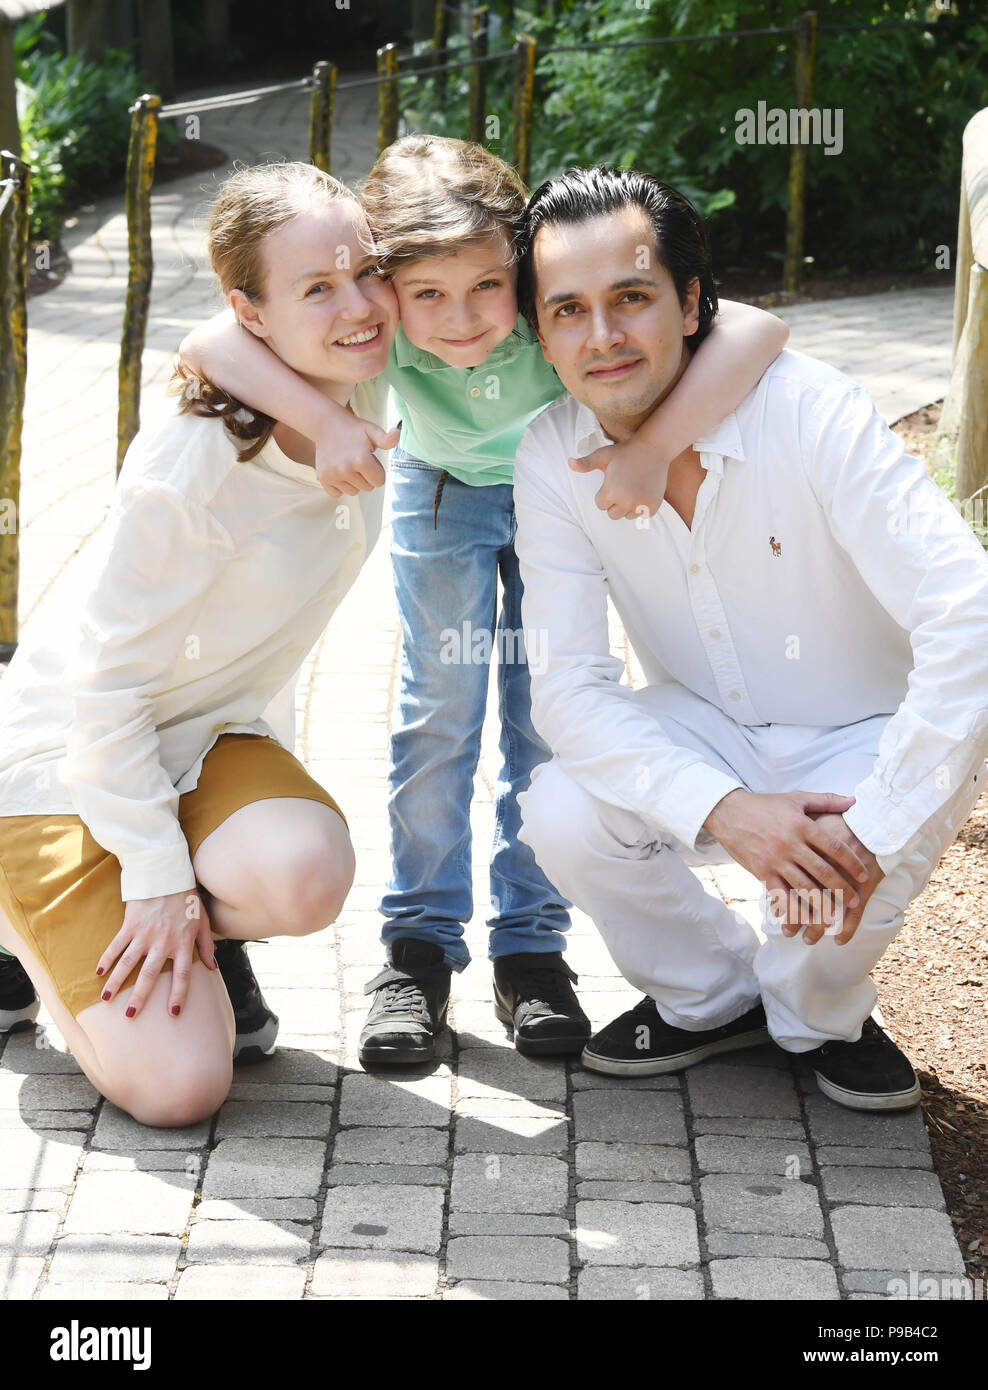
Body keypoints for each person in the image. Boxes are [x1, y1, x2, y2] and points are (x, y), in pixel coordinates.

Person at [180, 135, 790, 1066]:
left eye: (484, 288)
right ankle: (418, 950)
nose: (459, 320)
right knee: (438, 718)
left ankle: (531, 953)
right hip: (439, 500)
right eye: (426, 293)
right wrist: (328, 420)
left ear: (518, 267)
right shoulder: (386, 334)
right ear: (386, 286)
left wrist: (651, 444)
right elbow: (208, 340)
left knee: (547, 717)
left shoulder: (549, 318)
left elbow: (755, 331)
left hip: (560, 502)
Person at [512, 166, 988, 1111]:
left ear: (691, 303)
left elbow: (968, 615)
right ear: (540, 332)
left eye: (632, 298)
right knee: (560, 808)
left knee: (822, 910)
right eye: (568, 310)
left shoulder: (809, 410)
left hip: (866, 738)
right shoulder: (549, 455)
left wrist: (875, 826)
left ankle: (816, 1020)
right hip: (709, 730)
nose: (601, 337)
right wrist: (725, 807)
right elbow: (569, 689)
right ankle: (709, 1002)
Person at [0, 161, 399, 1125]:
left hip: (203, 742)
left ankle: (180, 930)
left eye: (368, 271)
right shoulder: (193, 466)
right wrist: (157, 877)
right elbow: (105, 693)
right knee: (184, 1089)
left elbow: (214, 332)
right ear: (253, 312)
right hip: (69, 760)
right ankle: (21, 925)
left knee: (307, 872)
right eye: (317, 288)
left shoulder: (356, 378)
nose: (359, 306)